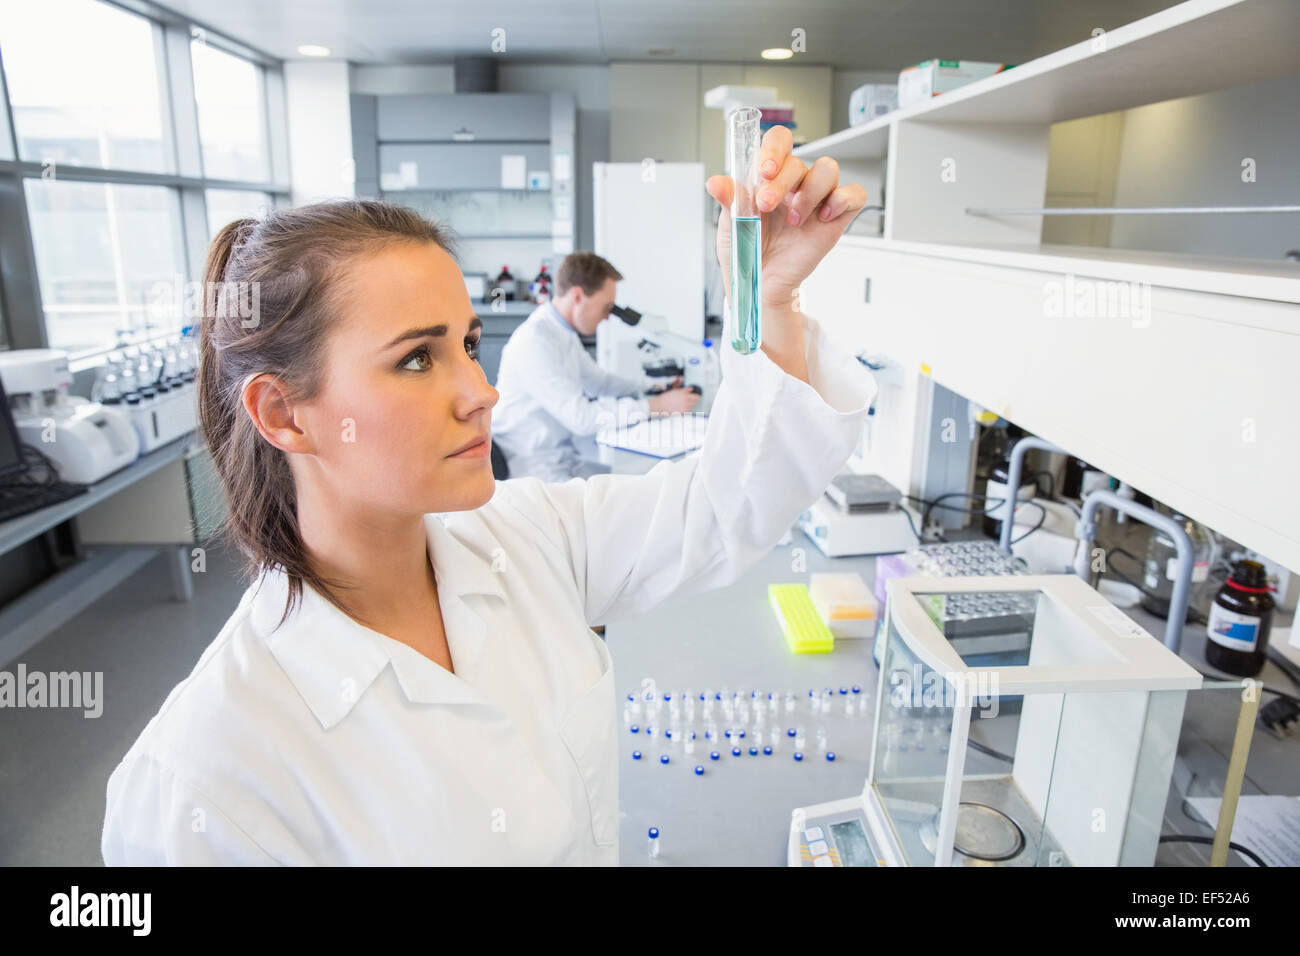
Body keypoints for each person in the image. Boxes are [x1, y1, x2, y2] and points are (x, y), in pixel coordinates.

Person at [100, 127, 873, 864]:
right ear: (283, 414)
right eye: (414, 360)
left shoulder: (531, 534)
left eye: (467, 345)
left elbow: (726, 505)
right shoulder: (204, 777)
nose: (482, 392)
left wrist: (771, 302)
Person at [491, 251, 700, 480]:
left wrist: (656, 385)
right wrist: (655, 406)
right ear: (578, 296)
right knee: (636, 491)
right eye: (606, 306)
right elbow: (582, 418)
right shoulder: (535, 341)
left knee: (636, 483)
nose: (608, 316)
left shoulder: (562, 334)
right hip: (532, 471)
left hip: (563, 460)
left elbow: (600, 383)